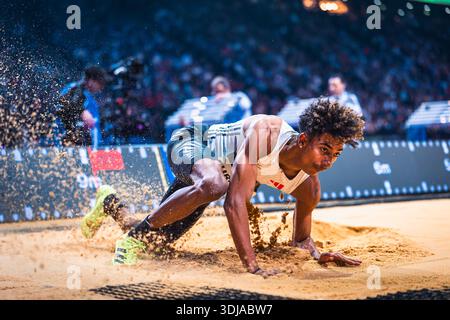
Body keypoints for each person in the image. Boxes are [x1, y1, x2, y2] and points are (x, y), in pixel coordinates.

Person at [81, 98, 365, 277]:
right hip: (192, 142)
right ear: (303, 140)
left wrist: (318, 256)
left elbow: (301, 241)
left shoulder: (309, 189)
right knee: (217, 184)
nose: (328, 161)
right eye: (324, 149)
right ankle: (132, 238)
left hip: (210, 175)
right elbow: (234, 202)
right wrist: (252, 266)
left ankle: (110, 203)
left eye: (336, 154)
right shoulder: (267, 133)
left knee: (158, 242)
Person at [57, 66, 109, 147]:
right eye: (100, 83)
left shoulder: (89, 95)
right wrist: (82, 111)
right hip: (70, 144)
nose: (101, 87)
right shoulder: (74, 89)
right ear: (91, 81)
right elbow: (63, 106)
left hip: (90, 146)